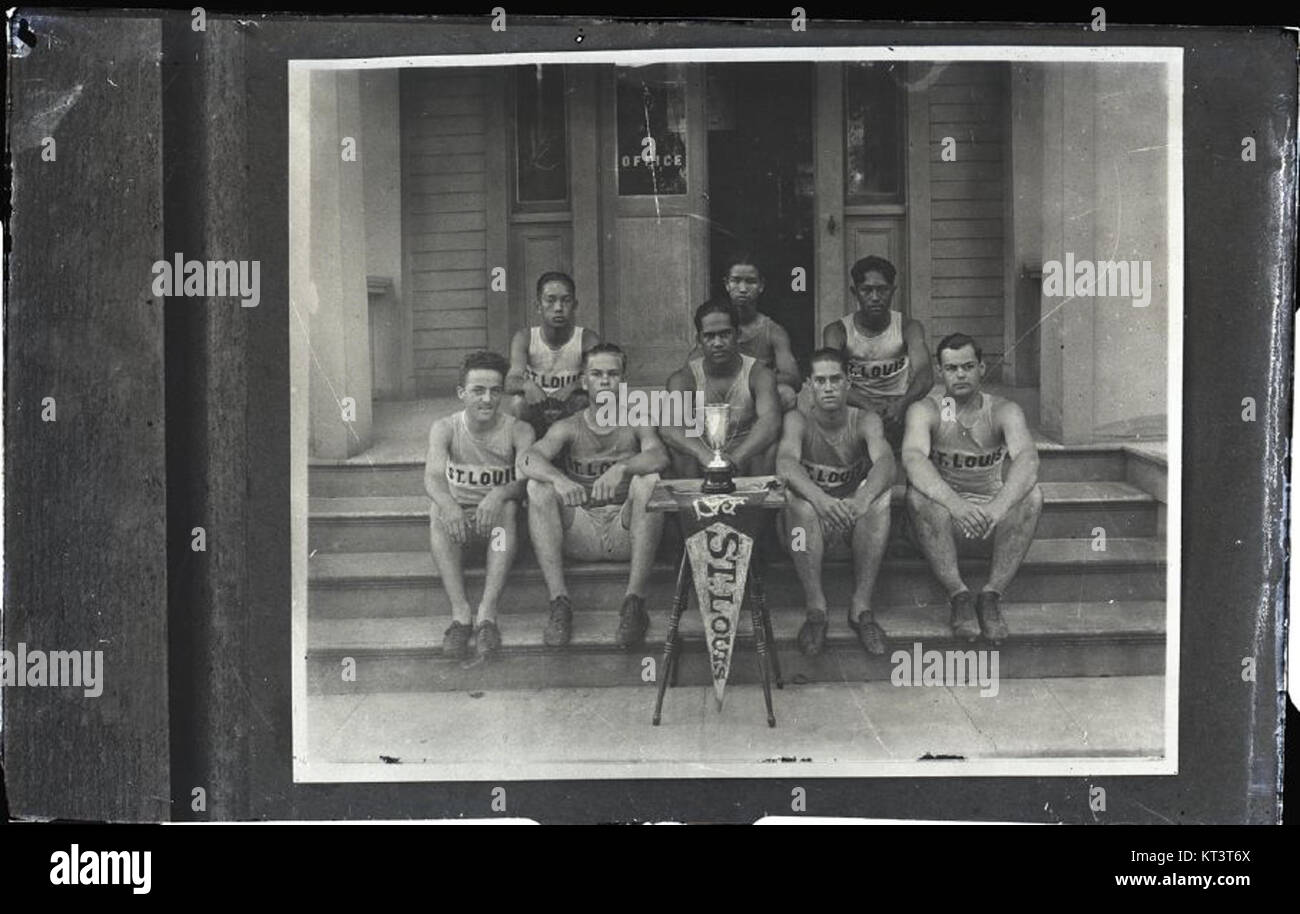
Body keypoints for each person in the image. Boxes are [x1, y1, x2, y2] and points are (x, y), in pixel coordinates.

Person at [519, 344, 669, 650]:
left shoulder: (637, 420)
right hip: (581, 529)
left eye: (612, 374)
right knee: (538, 487)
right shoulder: (568, 426)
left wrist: (623, 468)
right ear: (584, 381)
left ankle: (634, 603)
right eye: (596, 374)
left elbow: (659, 456)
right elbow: (527, 460)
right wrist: (558, 479)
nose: (604, 380)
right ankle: (559, 603)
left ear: (621, 381)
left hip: (626, 530)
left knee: (649, 481)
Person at [901, 333, 1043, 644]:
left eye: (967, 366)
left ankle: (991, 595)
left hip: (989, 520)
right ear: (940, 371)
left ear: (981, 367)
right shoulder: (928, 410)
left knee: (1032, 496)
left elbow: (1028, 458)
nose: (960, 374)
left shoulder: (1003, 410)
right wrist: (957, 506)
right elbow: (913, 459)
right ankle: (959, 595)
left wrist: (996, 507)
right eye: (952, 368)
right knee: (917, 495)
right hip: (943, 523)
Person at [777, 349, 895, 656]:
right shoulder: (797, 420)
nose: (828, 387)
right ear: (809, 385)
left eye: (835, 379)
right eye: (820, 381)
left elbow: (885, 462)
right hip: (805, 529)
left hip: (851, 521)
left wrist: (860, 500)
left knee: (879, 499)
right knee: (798, 501)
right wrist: (823, 501)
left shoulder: (865, 420)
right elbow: (786, 464)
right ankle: (816, 609)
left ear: (847, 383)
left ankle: (861, 608)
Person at [424, 350, 534, 660]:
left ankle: (487, 614)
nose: (487, 399)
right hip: (461, 526)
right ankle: (460, 614)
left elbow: (527, 479)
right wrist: (449, 505)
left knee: (509, 508)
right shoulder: (445, 427)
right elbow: (433, 478)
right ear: (462, 393)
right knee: (437, 509)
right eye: (478, 390)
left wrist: (499, 493)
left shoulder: (518, 429)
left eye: (495, 391)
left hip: (501, 531)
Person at [822, 255, 933, 451]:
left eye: (882, 290)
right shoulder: (837, 331)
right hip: (856, 404)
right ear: (854, 292)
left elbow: (925, 375)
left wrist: (903, 403)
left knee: (928, 412)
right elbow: (830, 378)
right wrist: (868, 406)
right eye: (866, 290)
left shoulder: (908, 327)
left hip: (898, 404)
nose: (874, 297)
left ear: (893, 291)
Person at [661, 299, 782, 479]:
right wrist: (706, 456)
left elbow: (770, 421)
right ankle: (691, 503)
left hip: (745, 458)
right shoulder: (685, 377)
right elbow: (670, 427)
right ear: (699, 340)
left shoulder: (759, 374)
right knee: (678, 449)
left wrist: (735, 459)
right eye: (709, 336)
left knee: (769, 444)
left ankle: (757, 504)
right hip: (701, 458)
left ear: (738, 335)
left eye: (725, 334)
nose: (717, 343)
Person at [688, 252, 803, 410]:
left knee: (786, 394)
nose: (742, 288)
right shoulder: (714, 323)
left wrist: (752, 379)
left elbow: (793, 379)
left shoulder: (772, 331)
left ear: (761, 285)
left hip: (757, 396)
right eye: (736, 281)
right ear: (727, 284)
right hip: (719, 394)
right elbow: (691, 369)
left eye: (750, 281)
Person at [505, 271, 600, 438]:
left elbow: (598, 380)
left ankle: (575, 453)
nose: (558, 308)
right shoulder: (525, 337)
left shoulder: (587, 339)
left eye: (566, 300)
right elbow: (510, 382)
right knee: (518, 403)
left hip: (569, 407)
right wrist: (527, 385)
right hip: (537, 405)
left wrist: (572, 387)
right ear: (538, 306)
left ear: (575, 305)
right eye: (550, 300)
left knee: (584, 402)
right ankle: (524, 452)